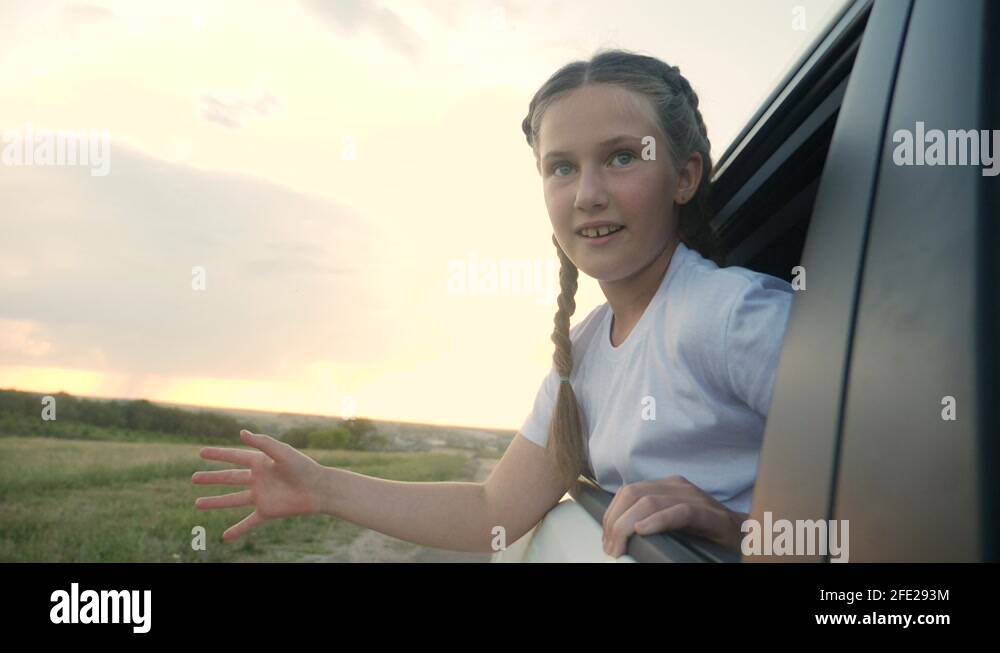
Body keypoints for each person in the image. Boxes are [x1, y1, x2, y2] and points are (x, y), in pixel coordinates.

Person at [192, 49, 794, 559]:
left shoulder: (733, 315)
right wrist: (323, 488)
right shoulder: (581, 357)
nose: (589, 194)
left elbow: (880, 506)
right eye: (562, 167)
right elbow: (493, 510)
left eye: (621, 157)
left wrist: (733, 531)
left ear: (685, 177)